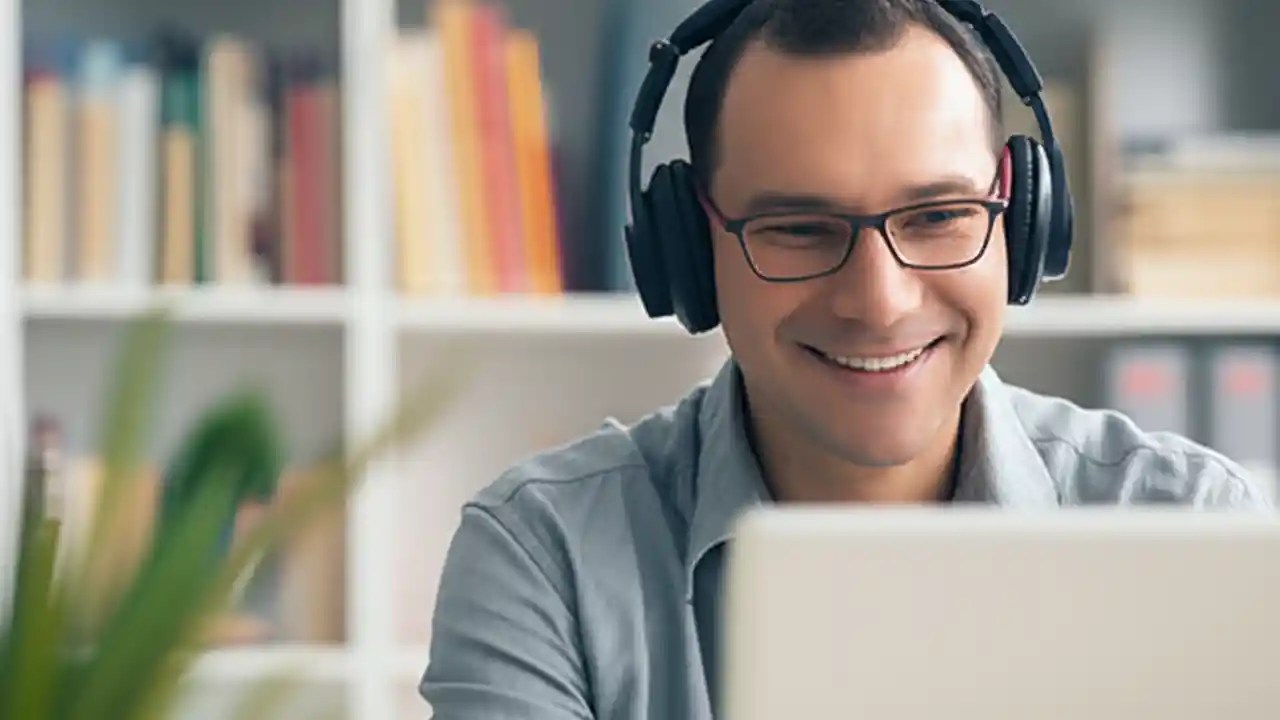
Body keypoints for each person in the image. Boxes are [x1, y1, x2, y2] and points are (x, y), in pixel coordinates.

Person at [420, 0, 1274, 717]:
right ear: (690, 251)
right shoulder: (546, 558)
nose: (880, 300)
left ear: (1022, 223)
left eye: (938, 215)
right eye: (796, 228)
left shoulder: (1191, 522)